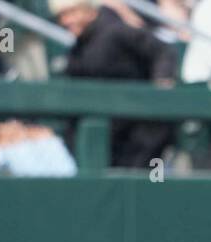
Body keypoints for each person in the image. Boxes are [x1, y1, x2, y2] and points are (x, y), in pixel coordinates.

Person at [50, 0, 178, 167]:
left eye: (72, 13)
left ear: (88, 11)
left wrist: (162, 83)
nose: (66, 21)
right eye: (62, 16)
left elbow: (162, 51)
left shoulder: (116, 31)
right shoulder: (79, 47)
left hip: (138, 134)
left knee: (145, 184)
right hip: (109, 138)